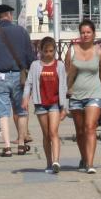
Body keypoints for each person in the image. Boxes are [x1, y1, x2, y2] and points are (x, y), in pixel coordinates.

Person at [0, 4, 36, 158]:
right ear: (10, 15)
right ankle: (22, 145)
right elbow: (30, 57)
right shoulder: (22, 32)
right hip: (19, 76)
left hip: (0, 76)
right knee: (21, 110)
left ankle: (7, 147)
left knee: (3, 112)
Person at [64, 19, 101, 174]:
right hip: (75, 95)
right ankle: (84, 157)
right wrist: (67, 90)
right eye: (83, 32)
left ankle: (90, 163)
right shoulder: (71, 51)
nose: (85, 35)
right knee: (80, 130)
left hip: (94, 94)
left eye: (88, 32)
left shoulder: (100, 52)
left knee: (90, 127)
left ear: (94, 34)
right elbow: (67, 74)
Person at [23, 35, 68, 173]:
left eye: (51, 51)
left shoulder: (59, 65)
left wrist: (64, 107)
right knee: (46, 134)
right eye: (46, 51)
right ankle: (48, 163)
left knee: (54, 132)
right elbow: (29, 82)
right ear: (40, 51)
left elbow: (64, 86)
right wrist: (25, 98)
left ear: (55, 50)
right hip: (41, 103)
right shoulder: (35, 65)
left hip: (54, 103)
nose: (48, 54)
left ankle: (56, 161)